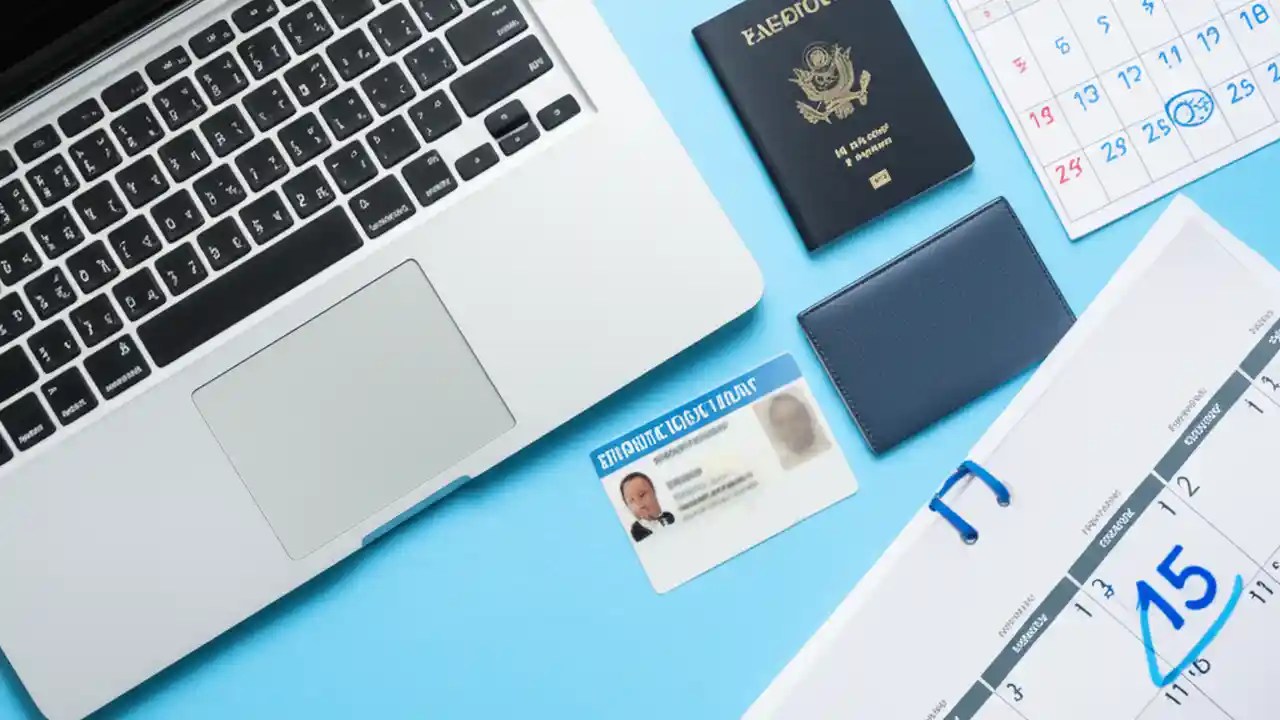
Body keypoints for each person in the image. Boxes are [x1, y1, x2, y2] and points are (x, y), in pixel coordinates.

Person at [766, 392, 830, 469]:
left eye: (794, 418)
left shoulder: (829, 446)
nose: (789, 428)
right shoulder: (782, 467)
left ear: (807, 417)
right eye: (780, 423)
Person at [620, 472, 675, 542]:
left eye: (642, 495)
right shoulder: (638, 532)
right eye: (632, 501)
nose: (639, 504)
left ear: (653, 491)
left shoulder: (669, 517)